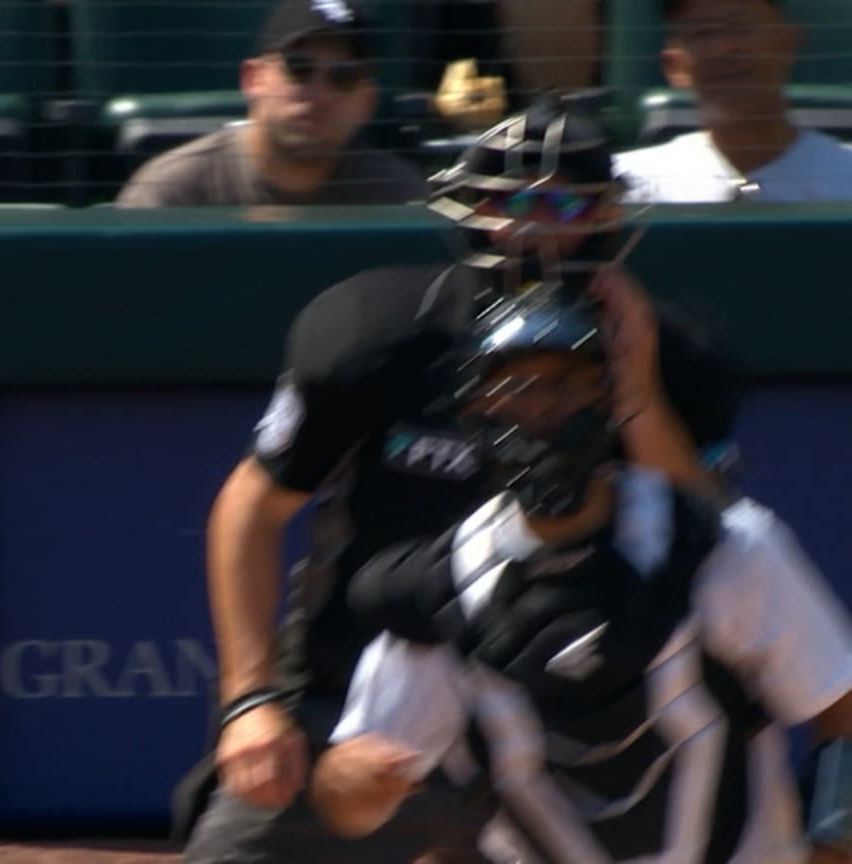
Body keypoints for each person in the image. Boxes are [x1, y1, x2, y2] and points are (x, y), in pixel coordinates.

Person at [178, 97, 734, 863]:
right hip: (371, 701)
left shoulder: (675, 356)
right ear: (466, 212)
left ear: (606, 218)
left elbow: (721, 538)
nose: (531, 229)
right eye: (506, 205)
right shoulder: (377, 332)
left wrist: (633, 390)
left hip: (585, 722)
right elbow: (250, 507)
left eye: (562, 204)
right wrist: (249, 701)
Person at [312, 286, 852, 862]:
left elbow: (840, 704)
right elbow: (351, 798)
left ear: (610, 398)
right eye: (516, 391)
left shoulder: (723, 545)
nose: (542, 412)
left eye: (568, 386)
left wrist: (833, 841)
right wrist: (351, 779)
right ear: (476, 411)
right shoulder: (439, 588)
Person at [115, 0, 427, 208]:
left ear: (367, 102)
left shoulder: (400, 201)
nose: (318, 94)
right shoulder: (174, 193)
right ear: (253, 79)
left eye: (343, 77)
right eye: (298, 69)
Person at [615, 0, 852, 203]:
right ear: (674, 66)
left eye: (739, 26)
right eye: (702, 33)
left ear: (788, 40)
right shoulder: (625, 185)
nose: (723, 47)